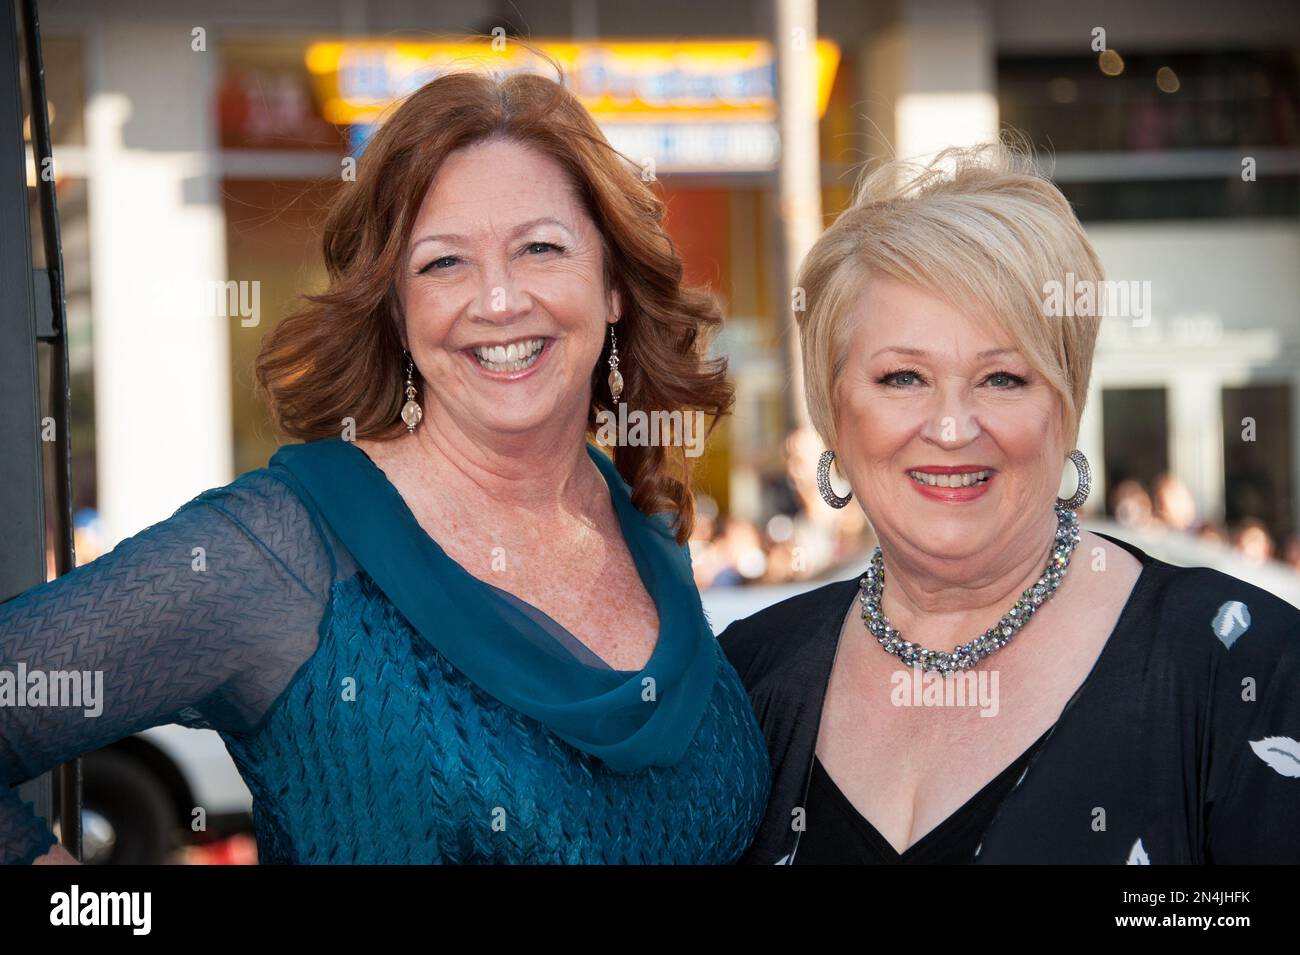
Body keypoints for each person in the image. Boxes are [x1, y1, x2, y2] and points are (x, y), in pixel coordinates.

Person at [1, 66, 770, 865]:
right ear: (397, 310)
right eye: (443, 263)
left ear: (613, 285)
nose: (499, 299)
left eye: (541, 247)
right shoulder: (287, 551)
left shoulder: (644, 527)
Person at [720, 141, 1300, 864]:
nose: (953, 427)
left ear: (1067, 404)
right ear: (834, 412)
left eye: (1003, 379)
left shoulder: (1244, 670)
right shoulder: (745, 680)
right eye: (903, 377)